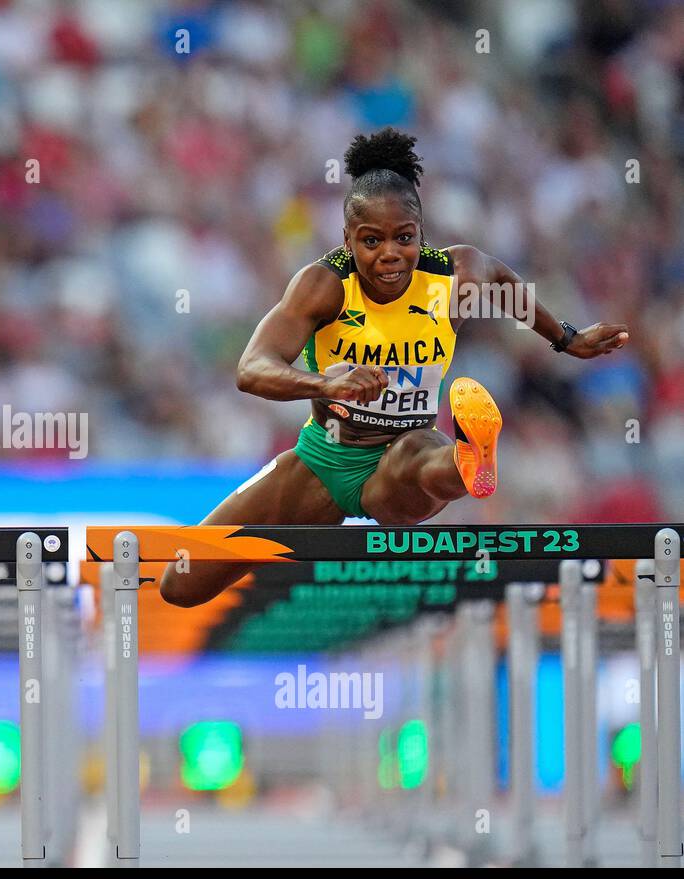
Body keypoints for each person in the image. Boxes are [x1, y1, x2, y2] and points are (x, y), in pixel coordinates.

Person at [159, 128, 629, 608]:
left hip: (405, 449)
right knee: (181, 584)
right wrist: (327, 383)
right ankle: (462, 461)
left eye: (404, 238)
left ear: (421, 234)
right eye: (371, 241)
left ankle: (472, 457)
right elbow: (251, 368)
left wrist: (567, 339)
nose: (389, 254)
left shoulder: (453, 273)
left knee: (417, 469)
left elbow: (503, 282)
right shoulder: (324, 285)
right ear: (347, 239)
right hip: (324, 458)